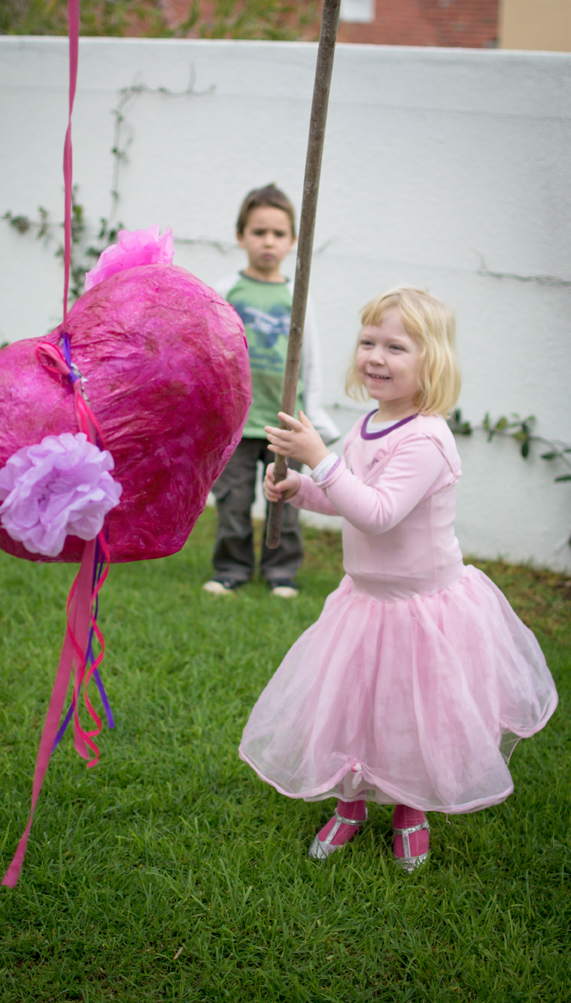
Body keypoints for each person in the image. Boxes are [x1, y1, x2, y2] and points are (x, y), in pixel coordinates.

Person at [239, 286, 557, 871]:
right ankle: (351, 804)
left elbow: (379, 513)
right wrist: (304, 489)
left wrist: (319, 458)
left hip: (421, 609)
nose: (376, 357)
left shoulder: (428, 438)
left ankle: (412, 809)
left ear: (430, 361)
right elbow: (349, 498)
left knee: (413, 717)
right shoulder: (369, 424)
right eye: (368, 342)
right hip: (366, 602)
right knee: (355, 707)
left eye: (396, 346)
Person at [203, 184, 338, 599]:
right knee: (234, 500)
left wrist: (310, 412)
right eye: (259, 232)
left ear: (292, 241)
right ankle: (231, 568)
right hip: (239, 424)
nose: (268, 241)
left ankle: (282, 572)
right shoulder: (227, 291)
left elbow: (310, 356)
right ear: (241, 236)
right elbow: (210, 351)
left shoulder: (297, 295)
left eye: (278, 234)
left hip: (285, 424)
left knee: (286, 499)